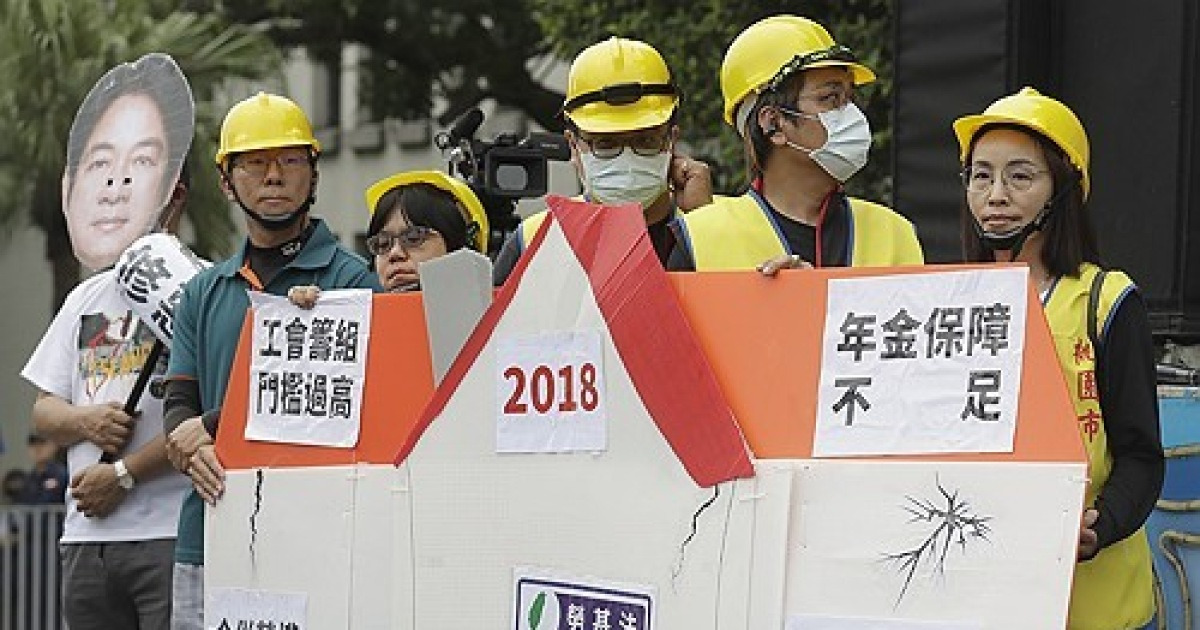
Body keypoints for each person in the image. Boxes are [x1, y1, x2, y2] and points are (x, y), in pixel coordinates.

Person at [162, 92, 382, 630]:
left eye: (288, 161)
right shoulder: (203, 291)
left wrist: (208, 426)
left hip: (319, 534)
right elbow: (179, 403)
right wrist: (187, 448)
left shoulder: (352, 282)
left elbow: (351, 403)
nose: (274, 176)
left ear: (314, 172)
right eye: (255, 162)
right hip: (208, 530)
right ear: (226, 180)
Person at [953, 87, 1163, 629]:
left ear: (1064, 191)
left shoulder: (1108, 301)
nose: (995, 194)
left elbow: (1141, 456)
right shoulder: (949, 303)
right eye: (981, 175)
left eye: (1020, 176)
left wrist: (1102, 524)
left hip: (1095, 606)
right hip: (986, 597)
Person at [21, 53, 195, 630]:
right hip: (85, 540)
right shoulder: (84, 299)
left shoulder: (203, 289)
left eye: (142, 163)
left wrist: (123, 475)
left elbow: (213, 415)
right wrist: (87, 423)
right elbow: (44, 411)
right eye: (103, 165)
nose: (119, 185)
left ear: (176, 193)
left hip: (171, 533)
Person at [669, 15, 923, 272]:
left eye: (850, 97)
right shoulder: (699, 239)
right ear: (773, 124)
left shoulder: (896, 234)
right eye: (830, 98)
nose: (851, 113)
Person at [491, 36, 714, 284]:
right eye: (605, 143)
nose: (627, 158)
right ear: (573, 146)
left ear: (672, 140)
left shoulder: (717, 228)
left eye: (646, 141)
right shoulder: (535, 242)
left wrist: (703, 226)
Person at [62, 53, 192, 271]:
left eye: (142, 160)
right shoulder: (78, 304)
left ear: (171, 189)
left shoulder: (206, 295)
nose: (114, 193)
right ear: (66, 187)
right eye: (100, 163)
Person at [366, 170, 489, 292]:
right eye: (382, 244)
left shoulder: (501, 311)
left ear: (459, 249)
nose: (395, 253)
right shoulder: (359, 311)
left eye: (413, 237)